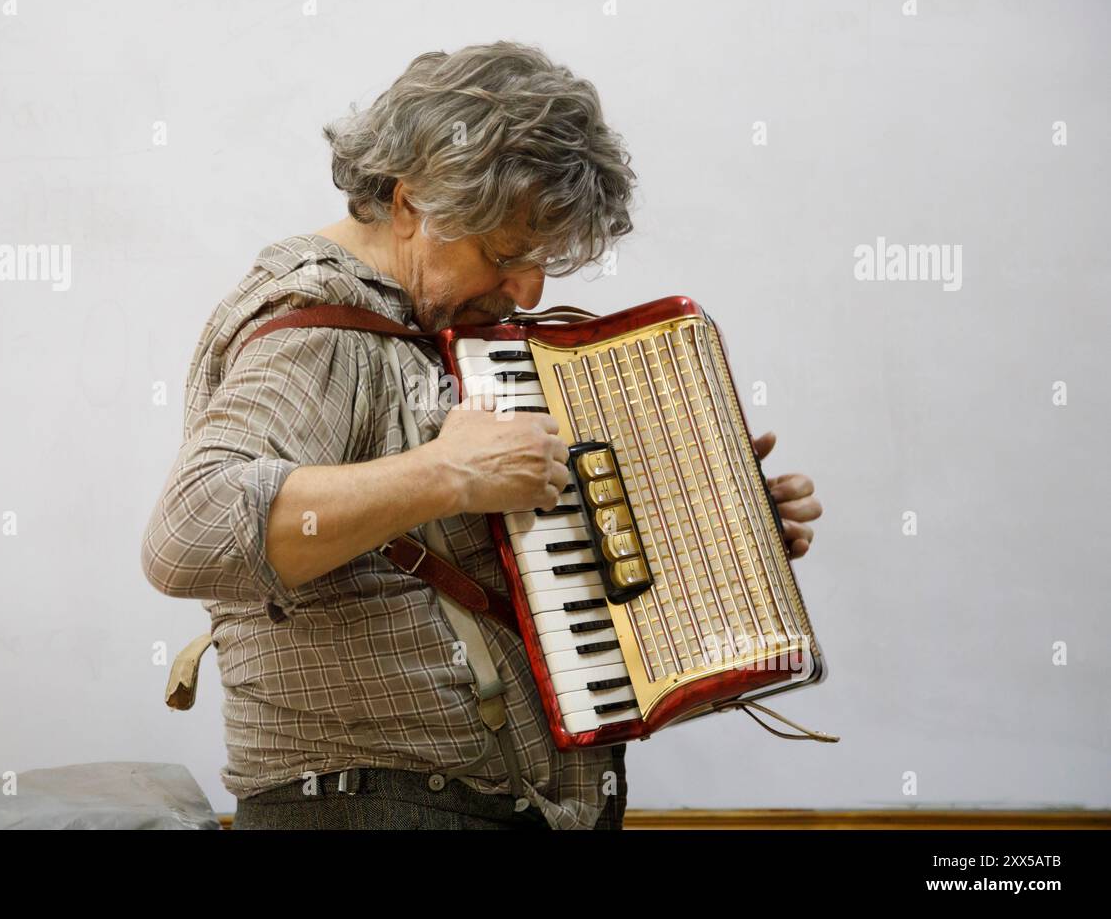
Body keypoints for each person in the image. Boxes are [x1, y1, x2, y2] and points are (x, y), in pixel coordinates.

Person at [140, 41, 822, 830]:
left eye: (542, 258)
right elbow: (188, 533)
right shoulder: (317, 329)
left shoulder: (427, 331)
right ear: (408, 205)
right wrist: (446, 473)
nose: (529, 289)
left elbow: (510, 554)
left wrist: (716, 527)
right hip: (369, 808)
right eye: (503, 254)